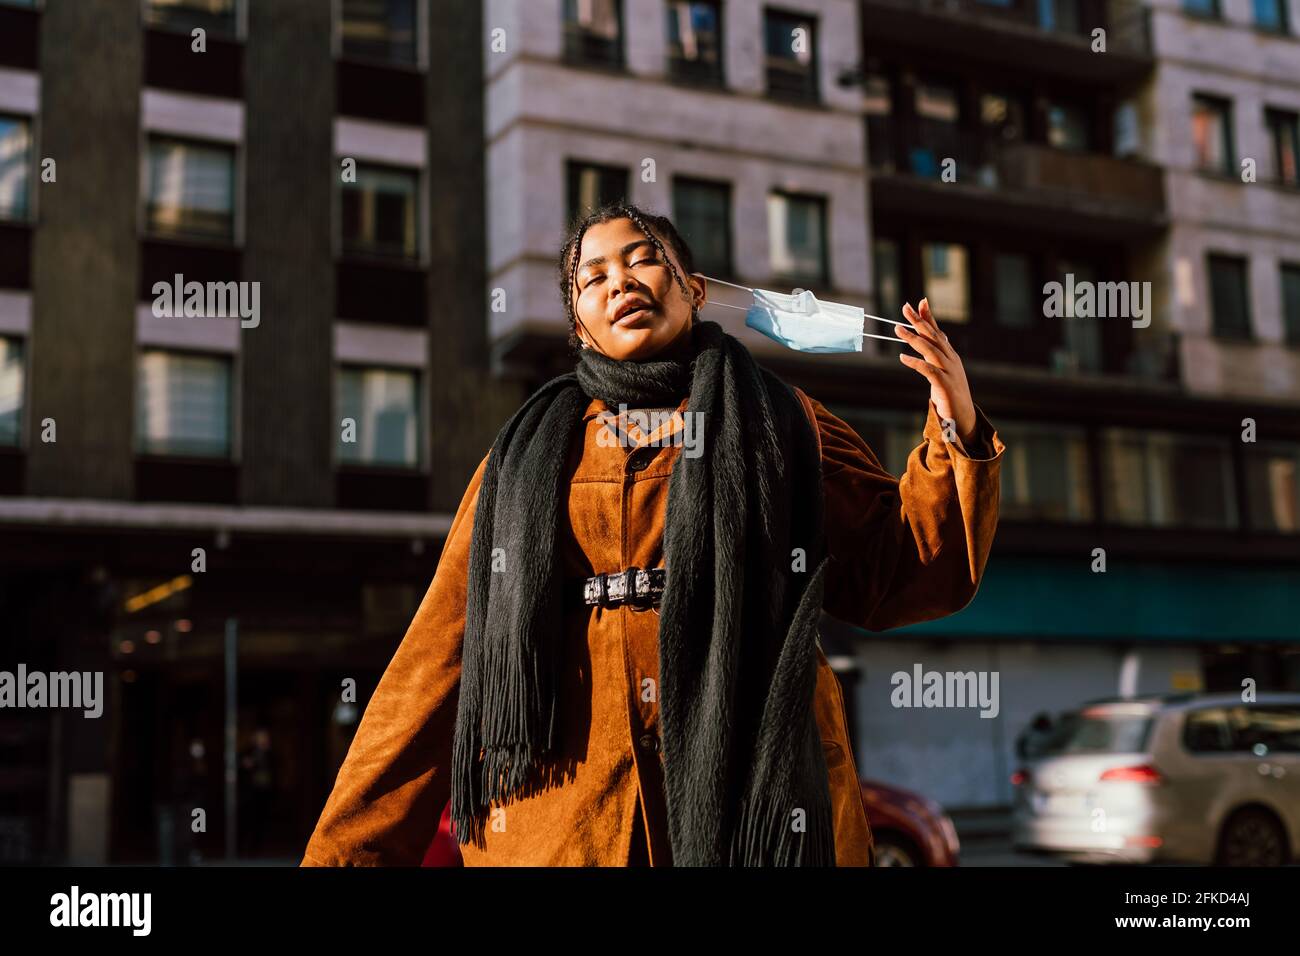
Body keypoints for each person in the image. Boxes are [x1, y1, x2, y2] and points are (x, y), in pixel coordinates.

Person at [302, 202, 1004, 867]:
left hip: (751, 815)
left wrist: (956, 427)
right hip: (567, 825)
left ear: (694, 289)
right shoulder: (518, 461)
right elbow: (434, 663)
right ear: (578, 324)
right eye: (594, 277)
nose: (621, 283)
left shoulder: (787, 423)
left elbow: (905, 572)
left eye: (643, 260)